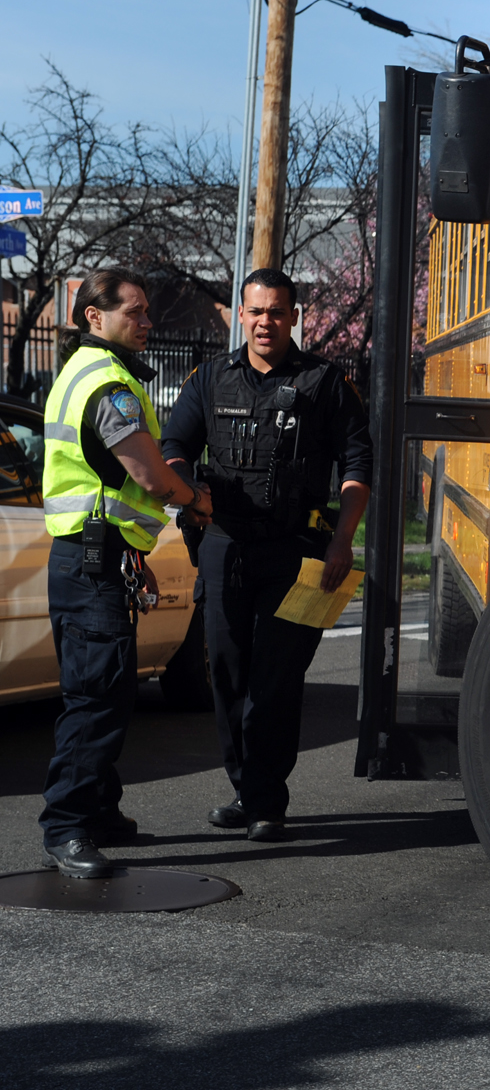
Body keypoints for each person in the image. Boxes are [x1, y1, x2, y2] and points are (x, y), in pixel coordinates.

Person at [161, 268, 370, 843]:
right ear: (240, 315)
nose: (265, 322)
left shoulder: (326, 383)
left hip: (299, 552)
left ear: (294, 316)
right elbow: (174, 445)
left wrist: (342, 539)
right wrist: (185, 486)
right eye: (255, 311)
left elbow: (358, 466)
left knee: (276, 679)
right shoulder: (209, 379)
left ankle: (266, 802)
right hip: (223, 546)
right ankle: (244, 788)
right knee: (226, 673)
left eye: (277, 311)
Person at [38, 269, 212, 877]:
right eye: (134, 312)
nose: (147, 322)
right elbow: (147, 475)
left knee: (104, 691)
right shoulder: (108, 383)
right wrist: (194, 499)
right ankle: (66, 827)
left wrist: (134, 553)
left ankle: (100, 811)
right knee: (97, 700)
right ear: (95, 316)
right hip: (92, 564)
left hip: (91, 559)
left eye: (146, 312)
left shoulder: (77, 373)